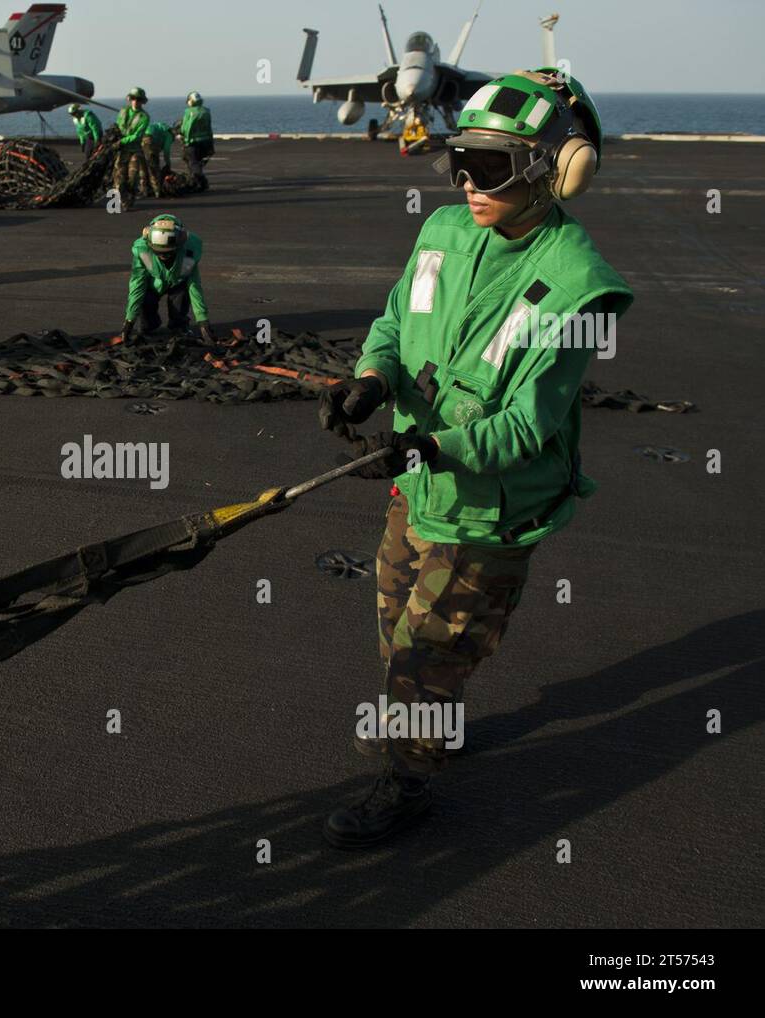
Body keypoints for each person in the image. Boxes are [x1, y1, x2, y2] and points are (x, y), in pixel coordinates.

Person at [318, 69, 632, 848]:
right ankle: (433, 728)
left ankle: (408, 784)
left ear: (555, 168)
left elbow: (528, 423)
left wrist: (428, 444)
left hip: (490, 506)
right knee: (394, 624)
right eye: (460, 162)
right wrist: (367, 380)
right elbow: (396, 319)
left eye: (490, 167)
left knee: (426, 654)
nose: (468, 184)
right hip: (419, 488)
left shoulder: (575, 285)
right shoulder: (446, 231)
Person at [120, 214, 214, 342]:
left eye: (168, 252)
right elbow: (137, 284)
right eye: (158, 252)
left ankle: (178, 326)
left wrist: (203, 322)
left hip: (178, 282)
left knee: (183, 294)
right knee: (146, 310)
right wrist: (129, 321)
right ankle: (150, 324)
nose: (163, 256)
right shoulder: (141, 250)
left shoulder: (190, 250)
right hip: (153, 283)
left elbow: (194, 286)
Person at [113, 87, 150, 210]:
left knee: (132, 177)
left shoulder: (144, 117)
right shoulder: (123, 111)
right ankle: (124, 200)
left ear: (142, 101)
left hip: (134, 150)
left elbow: (137, 136)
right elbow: (117, 127)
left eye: (138, 99)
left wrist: (122, 141)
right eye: (133, 98)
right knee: (119, 178)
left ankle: (130, 199)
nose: (135, 101)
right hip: (121, 151)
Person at [181, 91, 214, 189]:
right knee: (198, 162)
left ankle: (200, 181)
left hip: (192, 142)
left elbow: (186, 128)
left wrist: (185, 140)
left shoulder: (189, 112)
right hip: (205, 141)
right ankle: (196, 181)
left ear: (191, 101)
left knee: (192, 163)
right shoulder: (206, 111)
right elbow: (209, 127)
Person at [142, 120, 174, 197]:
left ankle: (145, 188)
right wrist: (168, 164)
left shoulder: (160, 126)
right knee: (154, 167)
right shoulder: (169, 135)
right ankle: (157, 191)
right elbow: (166, 151)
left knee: (144, 165)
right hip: (151, 140)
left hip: (144, 136)